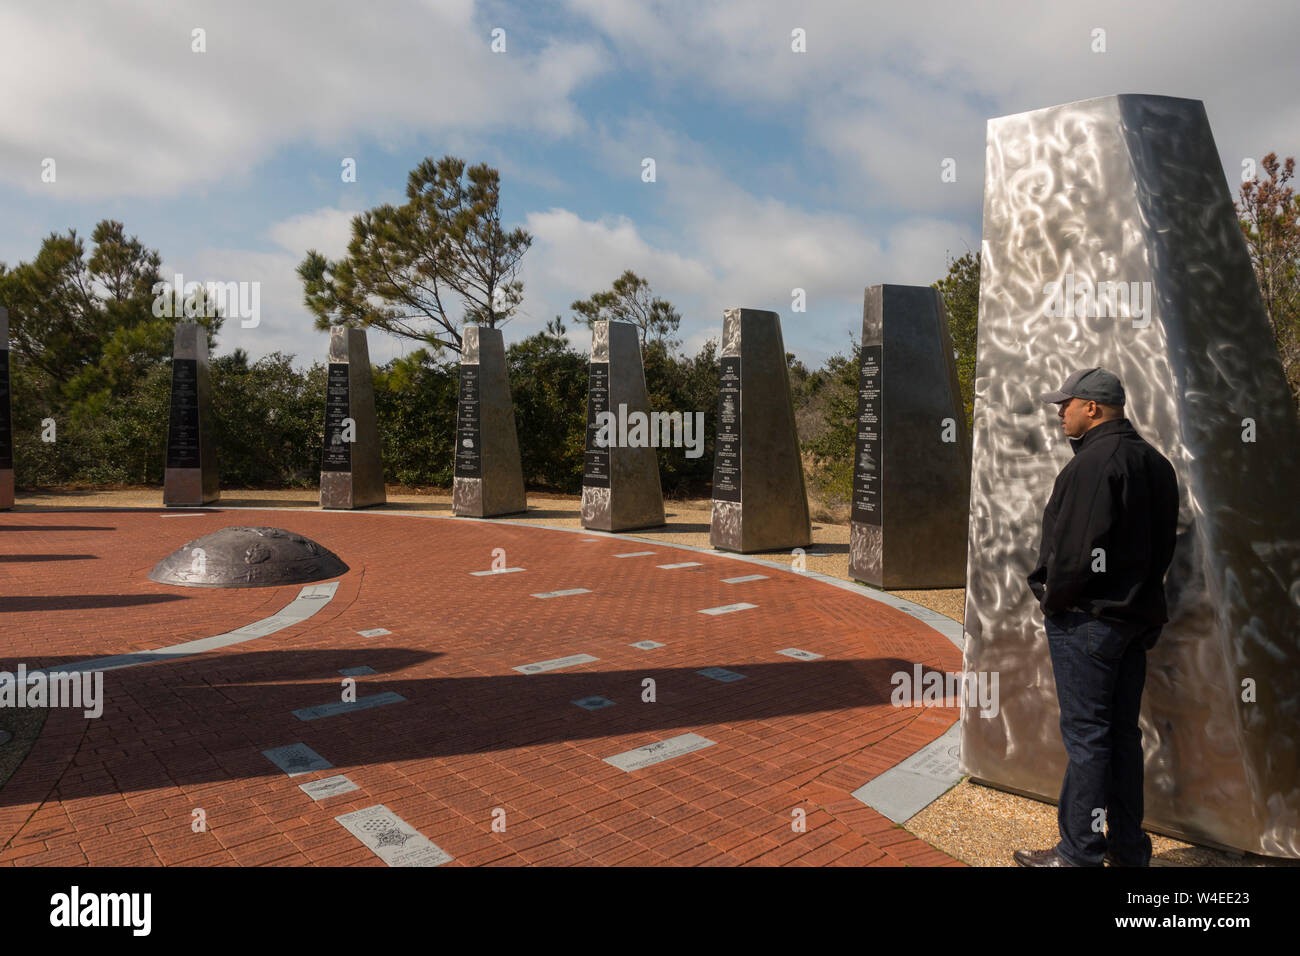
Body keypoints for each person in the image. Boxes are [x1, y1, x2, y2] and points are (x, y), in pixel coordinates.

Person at [1014, 367, 1179, 867]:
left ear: (1093, 407)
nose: (1059, 412)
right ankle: (1129, 850)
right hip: (1134, 621)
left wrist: (1054, 597)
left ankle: (1079, 852)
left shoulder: (1093, 464)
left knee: (1088, 738)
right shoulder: (1155, 463)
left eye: (1066, 403)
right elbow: (1162, 550)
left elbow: (1077, 550)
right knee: (1122, 736)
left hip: (1089, 622)